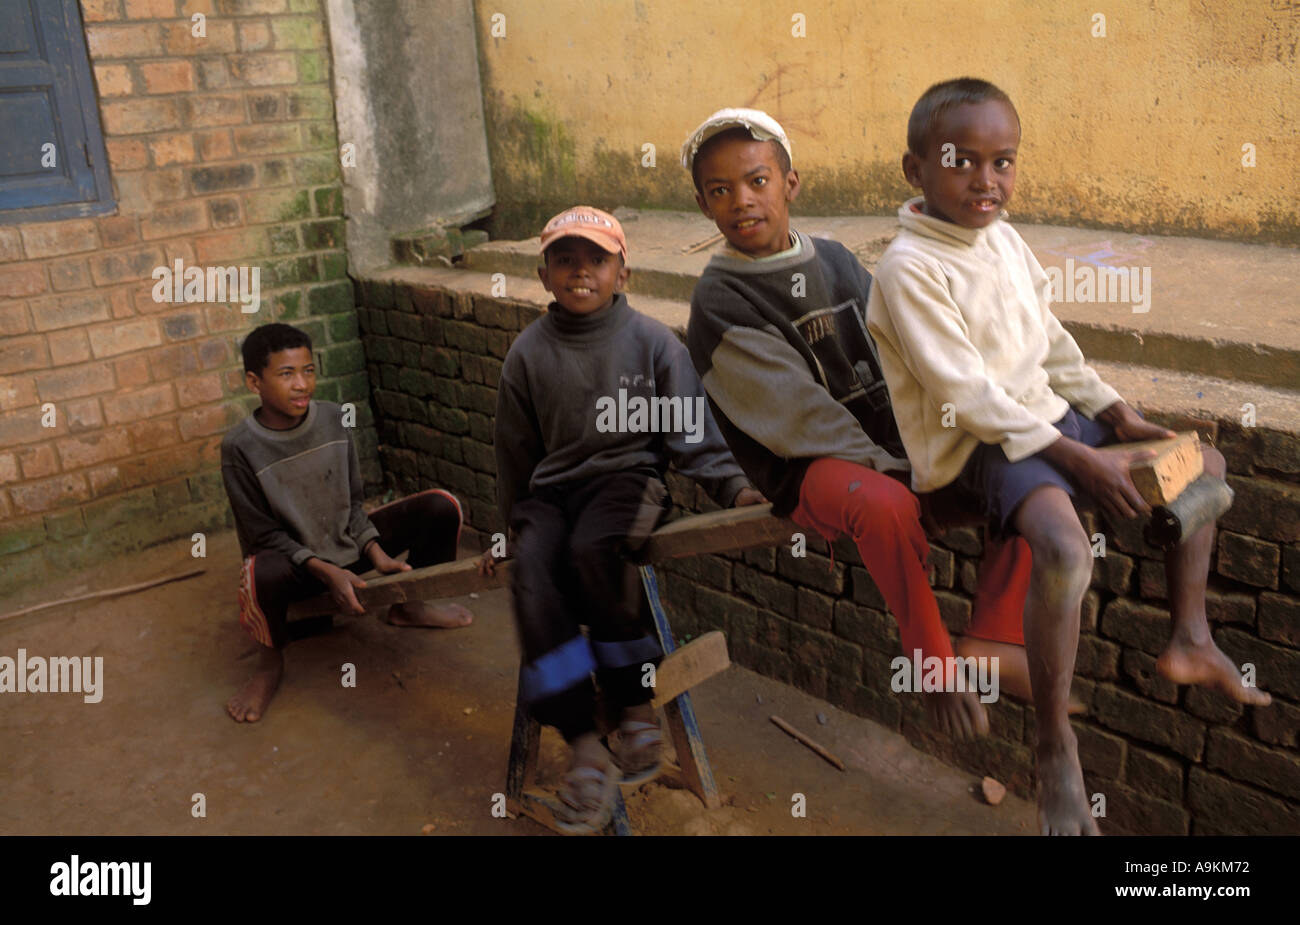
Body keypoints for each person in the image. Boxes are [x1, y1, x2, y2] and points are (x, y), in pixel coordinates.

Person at [866, 78, 1271, 834]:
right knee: (1060, 542)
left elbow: (1052, 346)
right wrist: (1082, 462)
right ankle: (1055, 747)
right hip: (977, 447)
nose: (987, 181)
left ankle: (1189, 636)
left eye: (1004, 162)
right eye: (962, 162)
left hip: (1048, 422)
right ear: (914, 170)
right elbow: (968, 392)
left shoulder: (1004, 238)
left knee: (1202, 466)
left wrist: (1117, 413)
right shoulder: (908, 267)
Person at [682, 107, 1042, 741]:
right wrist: (902, 471)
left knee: (1023, 462)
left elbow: (903, 352)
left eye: (757, 180)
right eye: (720, 190)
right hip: (809, 474)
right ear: (705, 205)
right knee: (881, 504)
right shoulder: (719, 302)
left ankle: (995, 633)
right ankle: (932, 663)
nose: (742, 201)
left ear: (790, 183)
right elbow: (802, 420)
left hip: (892, 453)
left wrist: (950, 439)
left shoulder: (839, 262)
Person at [480, 206, 763, 833]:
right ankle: (582, 738)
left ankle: (636, 702)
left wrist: (735, 489)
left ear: (622, 272)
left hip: (626, 480)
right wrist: (509, 531)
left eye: (596, 260)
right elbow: (515, 458)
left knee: (594, 552)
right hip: (550, 495)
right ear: (544, 273)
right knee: (532, 573)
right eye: (564, 259)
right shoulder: (526, 355)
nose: (580, 271)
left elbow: (693, 435)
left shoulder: (655, 343)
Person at [221, 323, 471, 723]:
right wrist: (328, 572)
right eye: (286, 374)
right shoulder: (240, 448)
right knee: (255, 571)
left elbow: (353, 506)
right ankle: (269, 666)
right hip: (298, 570)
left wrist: (376, 553)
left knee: (441, 507)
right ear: (254, 381)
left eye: (308, 370)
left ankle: (409, 608)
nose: (302, 385)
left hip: (348, 550)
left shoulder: (336, 419)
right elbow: (262, 535)